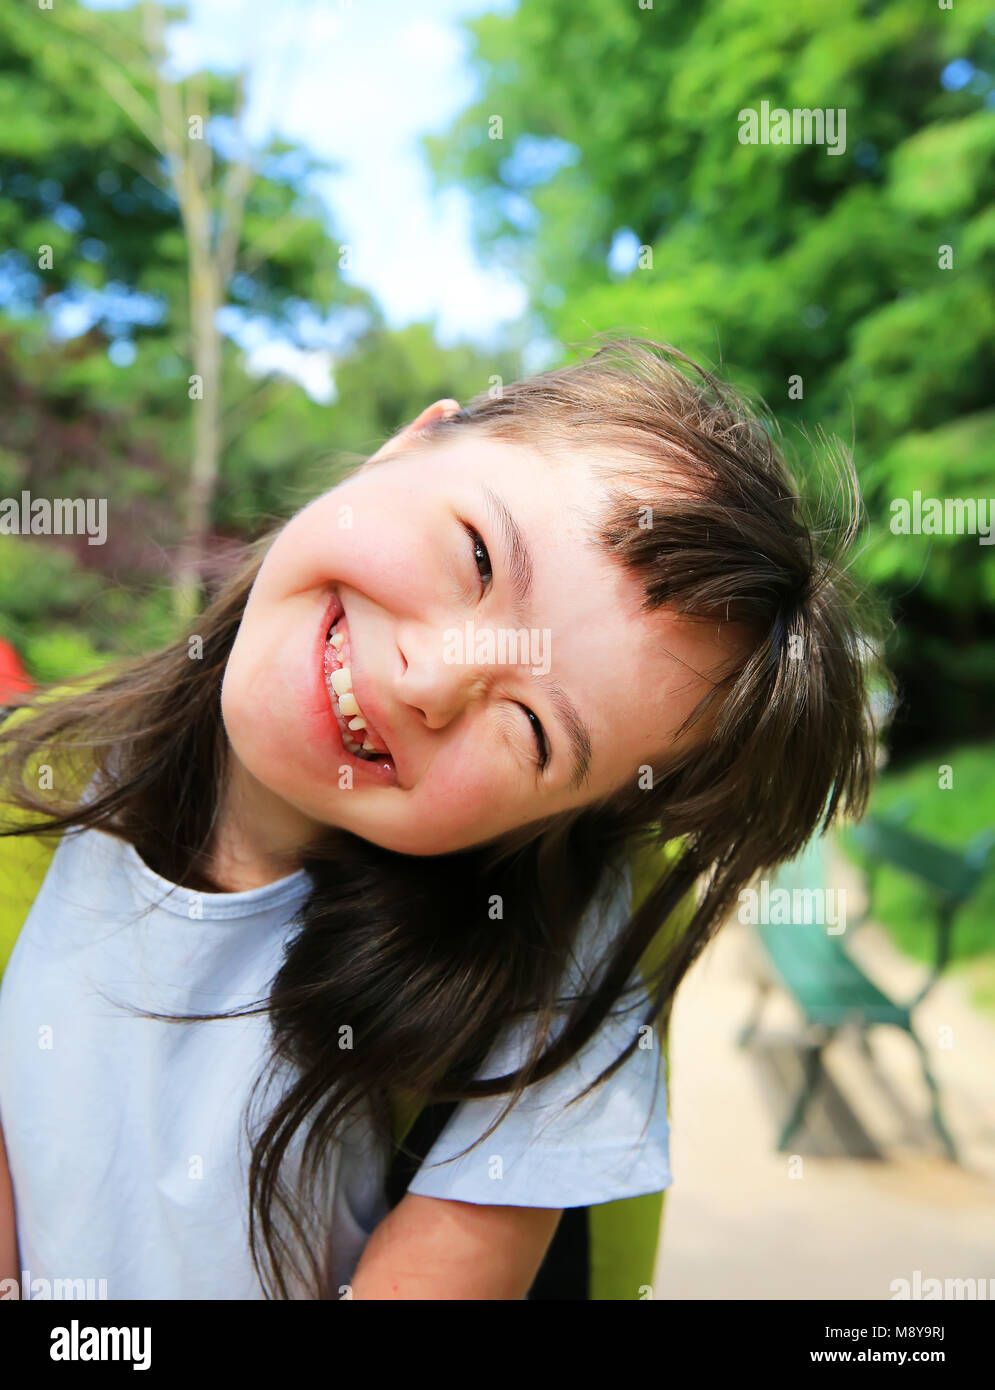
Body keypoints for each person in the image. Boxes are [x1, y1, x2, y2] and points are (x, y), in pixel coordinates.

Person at [0, 335, 882, 1299]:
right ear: (412, 443)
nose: (432, 679)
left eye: (536, 731)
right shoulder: (25, 799)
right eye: (476, 553)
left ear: (555, 825)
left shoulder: (541, 963)